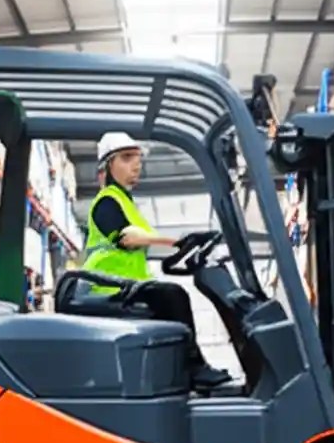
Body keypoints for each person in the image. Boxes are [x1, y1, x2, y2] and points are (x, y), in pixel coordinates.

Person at [82, 132, 232, 390]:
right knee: (172, 296)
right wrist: (175, 242)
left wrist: (179, 246)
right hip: (106, 287)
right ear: (107, 166)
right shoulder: (106, 202)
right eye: (127, 158)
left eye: (138, 159)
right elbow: (126, 237)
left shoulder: (126, 204)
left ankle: (181, 369)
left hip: (124, 286)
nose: (136, 165)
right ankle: (193, 367)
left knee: (168, 295)